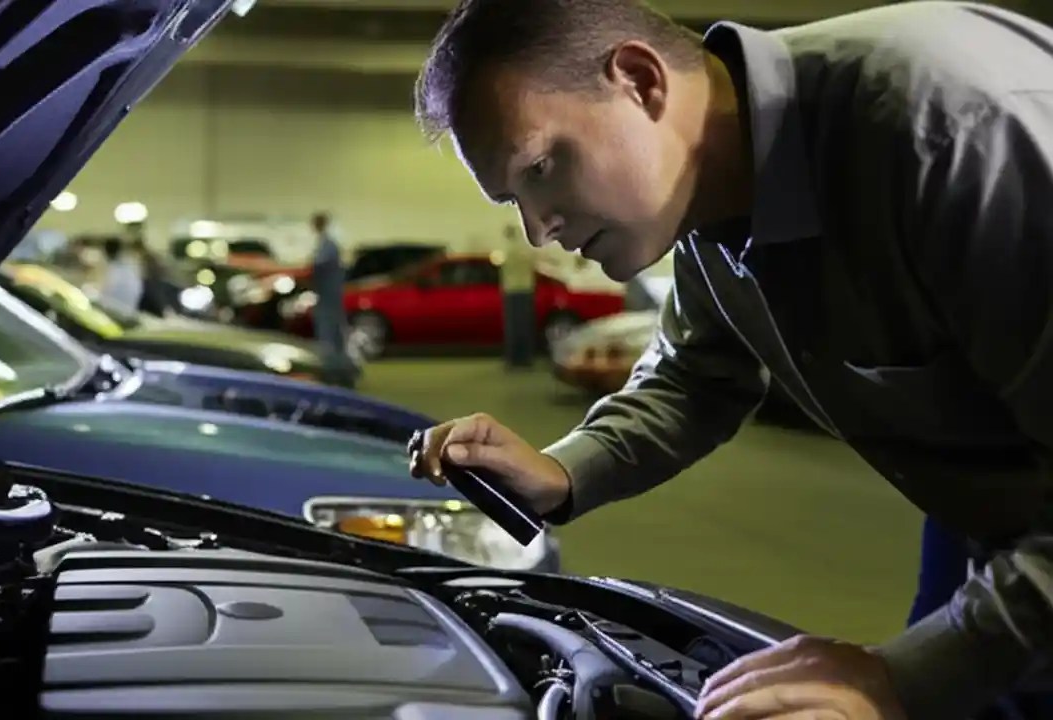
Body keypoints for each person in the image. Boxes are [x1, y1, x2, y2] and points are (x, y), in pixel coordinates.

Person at [408, 1, 1053, 718]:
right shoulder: (708, 190)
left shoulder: (956, 128)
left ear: (638, 80)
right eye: (513, 199)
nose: (538, 229)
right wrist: (562, 472)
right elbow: (694, 375)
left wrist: (909, 672)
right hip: (994, 521)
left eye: (542, 167)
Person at [310, 212, 358, 387]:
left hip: (328, 297)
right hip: (329, 296)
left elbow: (316, 266)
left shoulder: (327, 245)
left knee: (329, 334)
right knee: (334, 333)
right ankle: (344, 370)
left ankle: (338, 371)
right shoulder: (327, 243)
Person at [499, 223, 537, 368]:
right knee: (525, 326)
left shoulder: (508, 251)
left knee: (513, 327)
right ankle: (525, 358)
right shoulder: (525, 250)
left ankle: (514, 359)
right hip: (526, 290)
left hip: (512, 291)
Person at [97, 237, 144, 317]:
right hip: (131, 310)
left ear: (105, 252)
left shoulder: (113, 271)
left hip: (116, 314)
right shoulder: (131, 266)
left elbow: (105, 295)